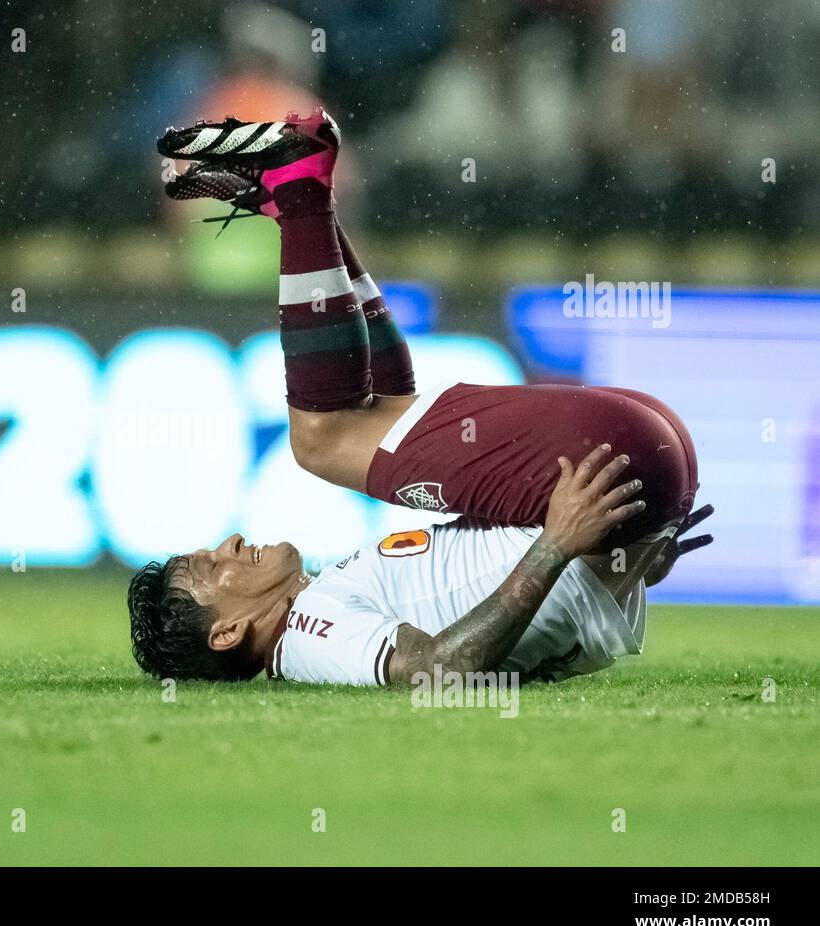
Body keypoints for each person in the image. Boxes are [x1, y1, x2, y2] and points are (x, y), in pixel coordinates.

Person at [127, 109, 712, 684]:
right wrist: (557, 547)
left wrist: (630, 558)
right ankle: (300, 194)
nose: (228, 544)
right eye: (209, 568)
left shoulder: (321, 604)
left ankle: (301, 208)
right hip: (601, 467)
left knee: (384, 409)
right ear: (227, 633)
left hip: (635, 479)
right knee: (321, 443)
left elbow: (541, 626)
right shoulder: (305, 641)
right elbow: (438, 669)